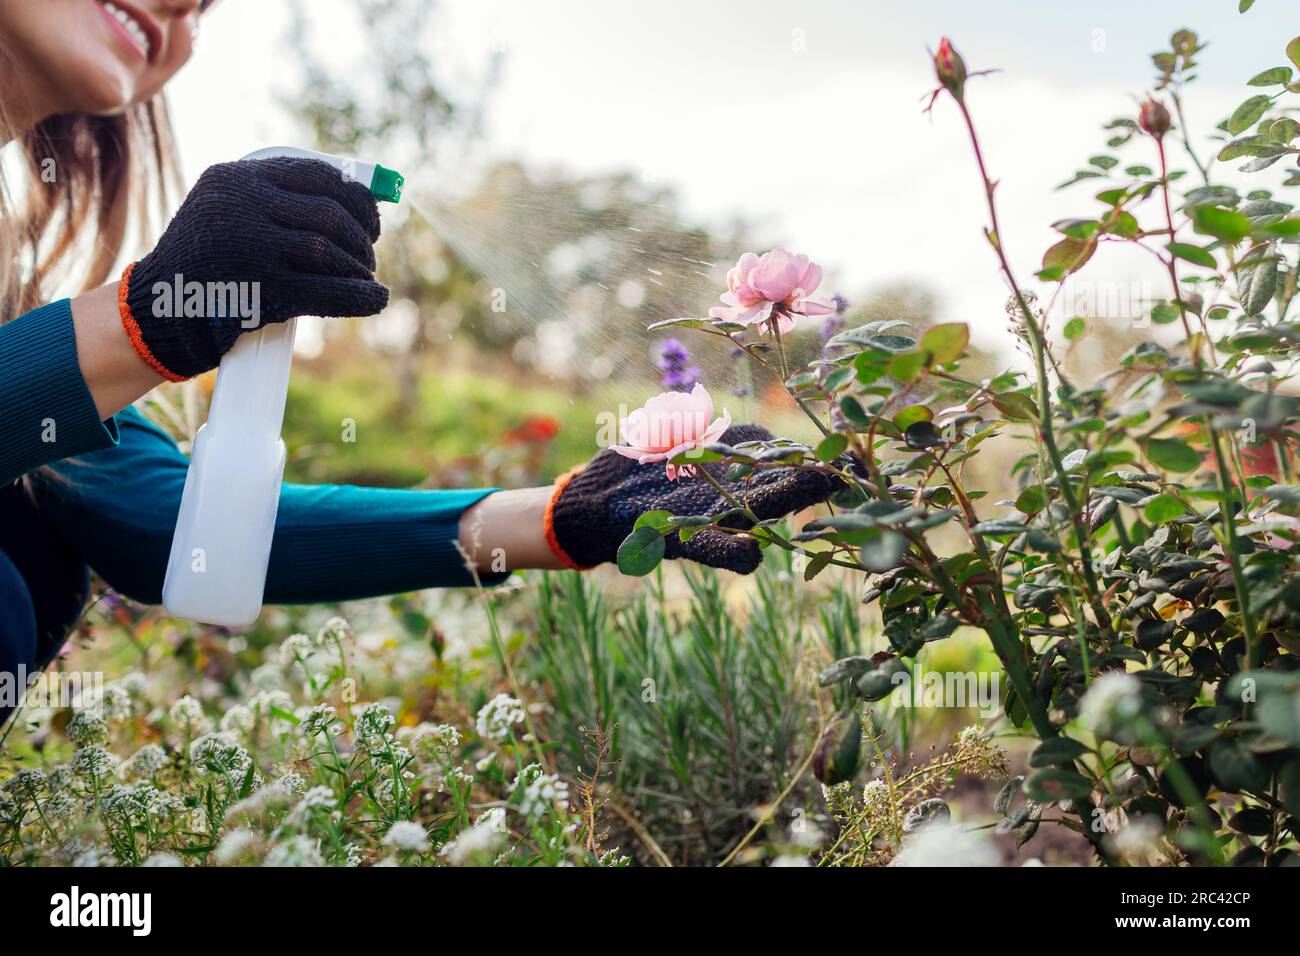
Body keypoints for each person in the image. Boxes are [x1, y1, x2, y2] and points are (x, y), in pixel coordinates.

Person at [0, 0, 836, 724]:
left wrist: (562, 518)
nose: (185, 7)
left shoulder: (22, 304)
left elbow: (176, 529)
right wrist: (149, 320)